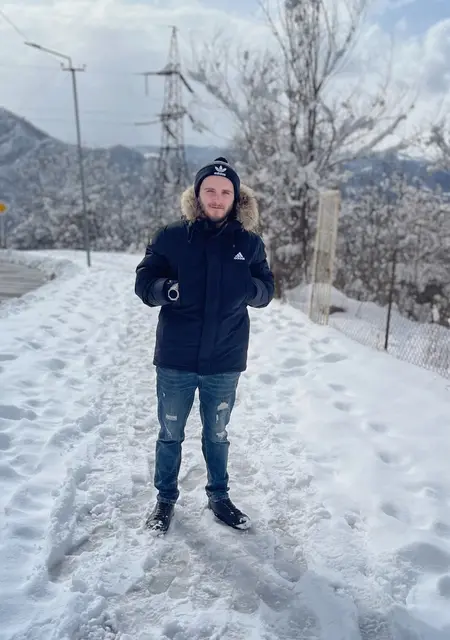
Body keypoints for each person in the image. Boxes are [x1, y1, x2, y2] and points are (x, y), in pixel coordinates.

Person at [135, 156, 274, 534]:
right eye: (209, 190)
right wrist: (166, 289)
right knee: (170, 433)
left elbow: (267, 290)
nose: (216, 198)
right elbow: (144, 282)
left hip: (225, 359)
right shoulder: (171, 237)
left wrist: (249, 289)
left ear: (236, 198)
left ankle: (219, 497)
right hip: (176, 359)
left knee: (217, 434)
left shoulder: (249, 243)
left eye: (225, 192)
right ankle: (165, 500)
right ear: (197, 195)